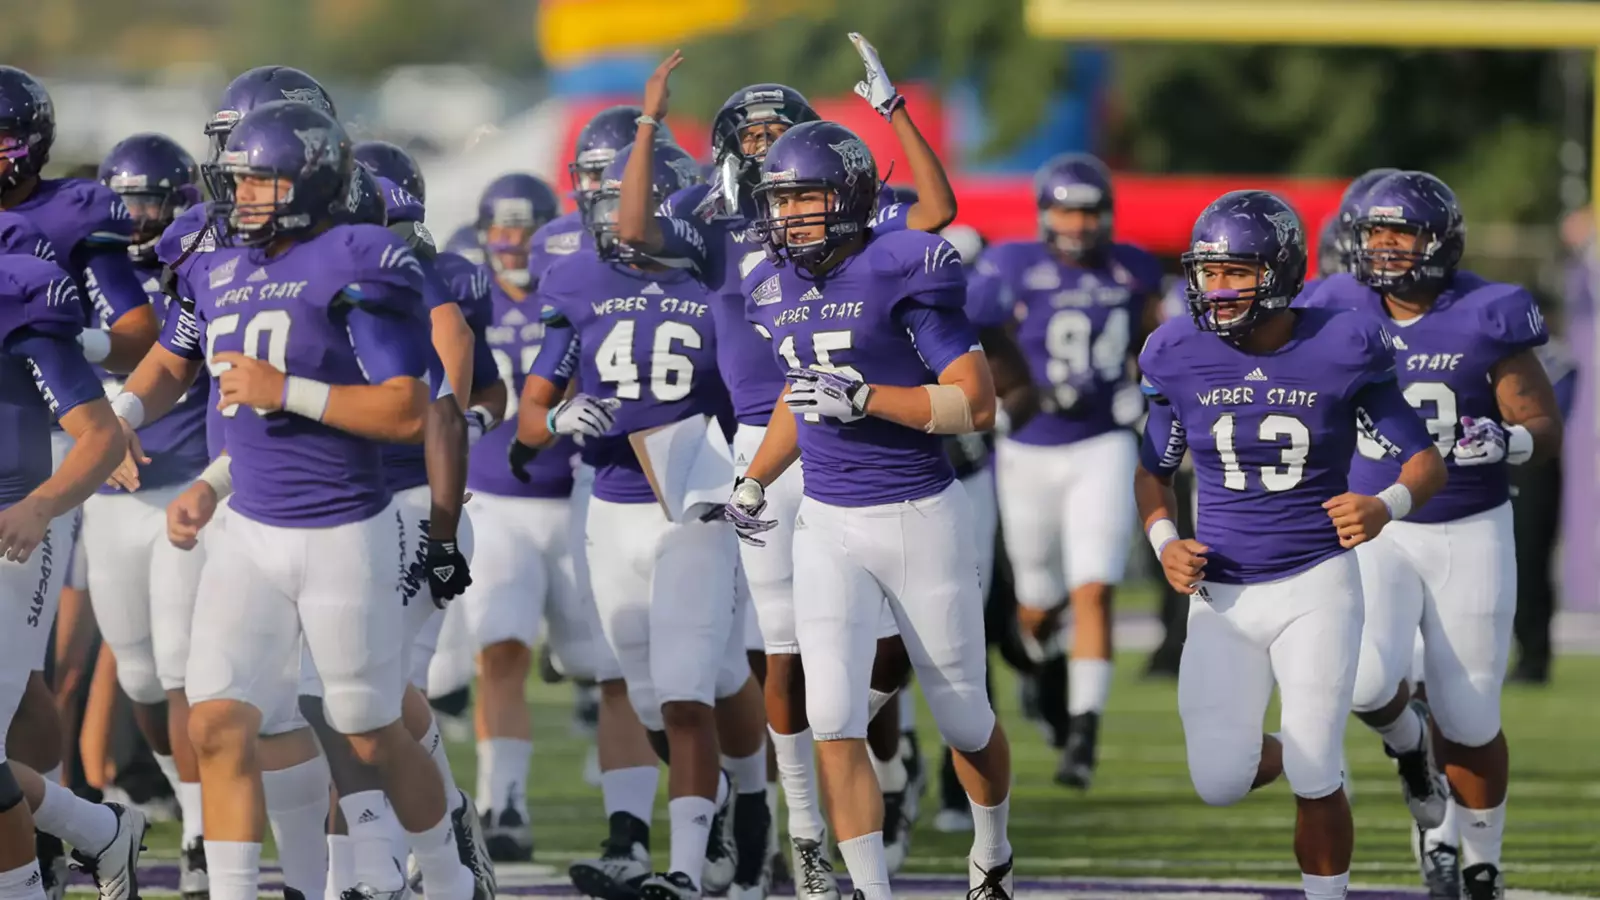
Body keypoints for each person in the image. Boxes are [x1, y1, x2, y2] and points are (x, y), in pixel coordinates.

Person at [108, 100, 481, 900]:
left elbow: (409, 410)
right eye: (235, 183)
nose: (239, 200)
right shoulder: (212, 263)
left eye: (259, 183)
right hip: (249, 532)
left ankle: (450, 876)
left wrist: (289, 392)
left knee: (369, 729)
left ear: (308, 182)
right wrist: (121, 416)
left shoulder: (358, 257)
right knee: (216, 719)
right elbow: (175, 362)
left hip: (345, 530)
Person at [700, 119, 1014, 900]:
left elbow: (976, 405)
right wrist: (755, 480)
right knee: (833, 713)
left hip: (919, 514)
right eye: (781, 200)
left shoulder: (902, 264)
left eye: (807, 197)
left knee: (964, 715)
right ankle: (870, 891)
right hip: (827, 525)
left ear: (849, 197)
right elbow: (795, 396)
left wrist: (871, 397)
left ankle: (993, 848)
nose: (791, 215)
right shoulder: (773, 286)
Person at [1136, 189, 1446, 900]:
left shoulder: (1341, 344)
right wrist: (1163, 540)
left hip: (1316, 581)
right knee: (1220, 779)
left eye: (1235, 273)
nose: (1216, 290)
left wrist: (1384, 505)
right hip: (1221, 588)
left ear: (1278, 272)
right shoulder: (1174, 350)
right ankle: (1327, 758)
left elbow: (1425, 461)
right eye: (1209, 273)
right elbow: (1151, 472)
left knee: (1313, 766)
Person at [1301, 170, 1563, 900]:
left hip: (1468, 526)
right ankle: (1411, 751)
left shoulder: (1488, 311)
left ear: (1438, 241)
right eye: (1373, 232)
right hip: (1373, 522)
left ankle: (1477, 859)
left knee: (1472, 714)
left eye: (1400, 233)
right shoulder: (1330, 305)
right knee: (1365, 681)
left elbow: (1543, 427)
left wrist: (1506, 443)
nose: (1383, 248)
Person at [511, 139, 739, 900]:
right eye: (606, 206)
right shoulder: (576, 280)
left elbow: (755, 394)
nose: (618, 223)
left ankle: (688, 863)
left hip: (692, 507)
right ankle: (733, 810)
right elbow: (531, 416)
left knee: (685, 694)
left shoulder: (720, 277)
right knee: (642, 697)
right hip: (610, 508)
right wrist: (560, 414)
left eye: (630, 206)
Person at [967, 152, 1162, 790]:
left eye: (1087, 210)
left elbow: (1155, 346)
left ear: (1106, 214)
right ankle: (1042, 670)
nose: (1077, 223)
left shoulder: (1134, 270)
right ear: (1045, 213)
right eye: (1066, 209)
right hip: (1026, 447)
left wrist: (1148, 390)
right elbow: (975, 344)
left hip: (1102, 442)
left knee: (1095, 588)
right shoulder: (1009, 267)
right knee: (1036, 606)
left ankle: (1083, 734)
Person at [0, 242, 149, 900]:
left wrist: (42, 504)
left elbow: (101, 434)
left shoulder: (15, 289)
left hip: (9, 526)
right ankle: (97, 829)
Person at [89, 131, 211, 896]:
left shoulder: (195, 263)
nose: (136, 217)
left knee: (177, 669)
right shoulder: (83, 266)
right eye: (124, 199)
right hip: (105, 495)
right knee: (136, 674)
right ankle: (179, 792)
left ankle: (202, 828)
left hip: (182, 487)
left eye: (149, 200)